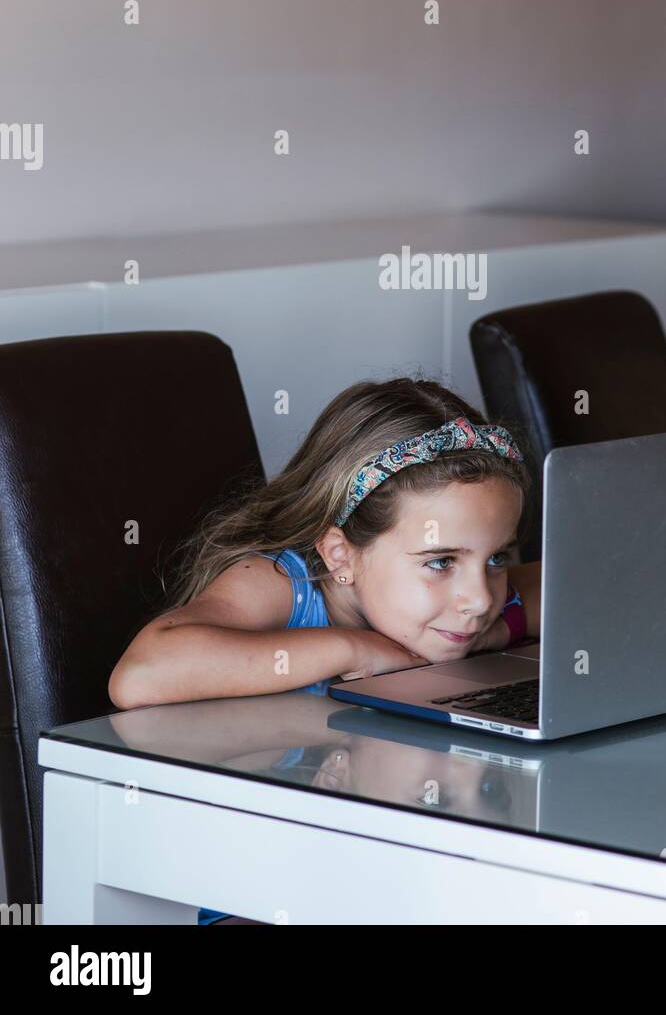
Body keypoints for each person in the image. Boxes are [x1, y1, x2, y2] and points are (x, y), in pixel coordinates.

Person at [108, 375, 538, 925]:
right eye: (440, 561)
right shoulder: (282, 585)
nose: (479, 599)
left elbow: (576, 589)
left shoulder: (461, 606)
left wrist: (503, 630)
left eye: (497, 558)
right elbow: (141, 677)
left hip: (406, 882)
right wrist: (353, 650)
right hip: (264, 896)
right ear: (341, 555)